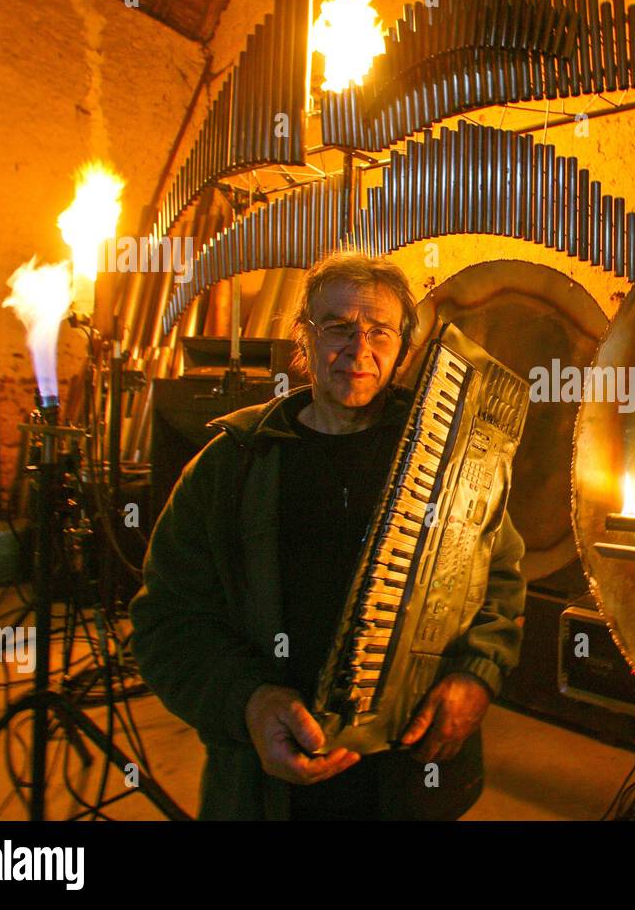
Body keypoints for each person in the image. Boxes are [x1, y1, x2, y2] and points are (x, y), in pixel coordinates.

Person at [129, 251, 527, 820]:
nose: (358, 350)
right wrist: (248, 703)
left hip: (411, 780)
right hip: (269, 789)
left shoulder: (457, 460)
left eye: (379, 332)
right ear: (304, 339)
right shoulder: (231, 466)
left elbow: (503, 581)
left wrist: (476, 675)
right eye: (337, 328)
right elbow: (167, 622)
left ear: (403, 348)